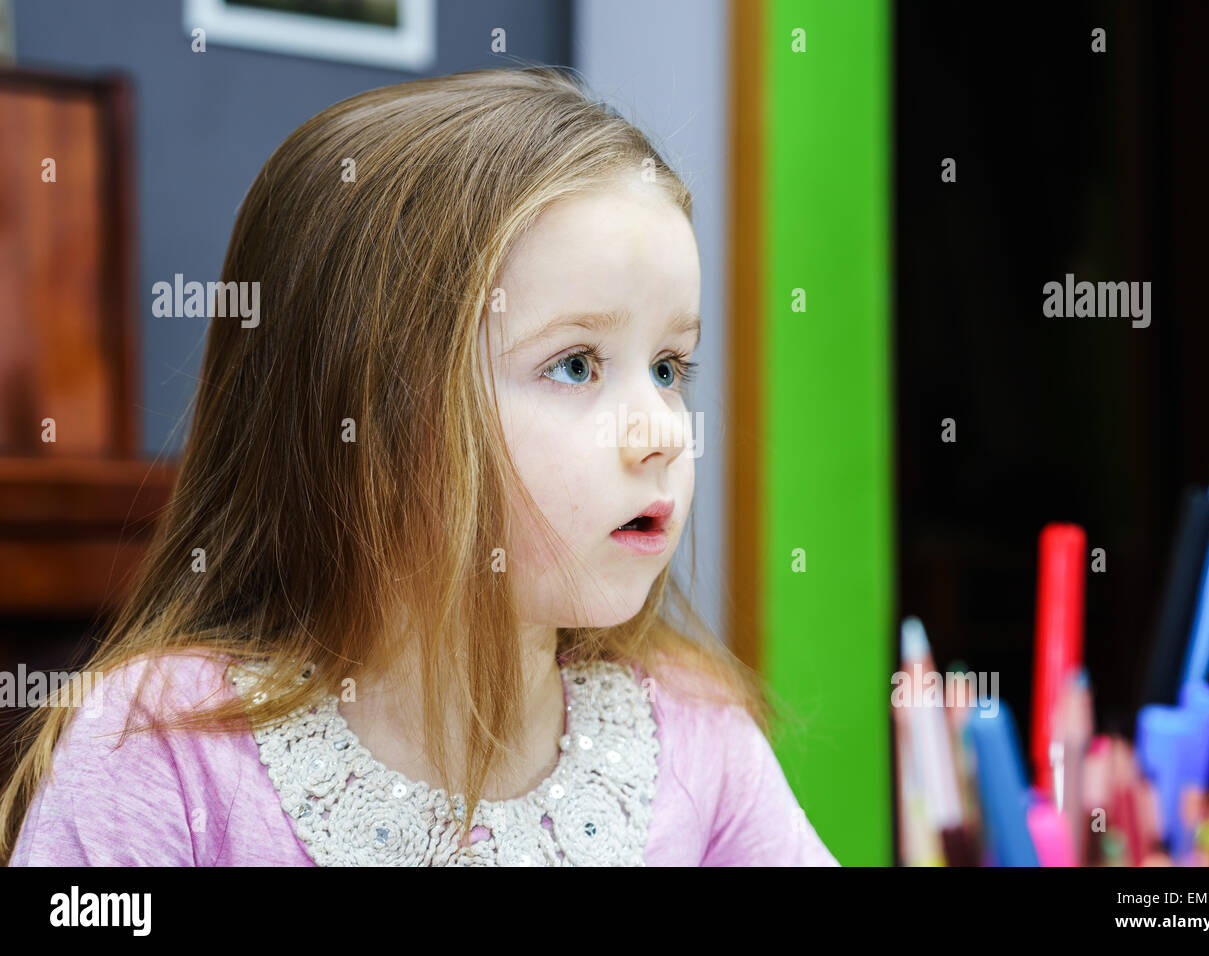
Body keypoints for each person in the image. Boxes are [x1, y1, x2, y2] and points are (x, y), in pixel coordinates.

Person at [1, 67, 838, 867]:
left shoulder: (702, 741)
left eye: (668, 367)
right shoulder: (159, 748)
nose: (661, 432)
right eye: (576, 364)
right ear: (369, 417)